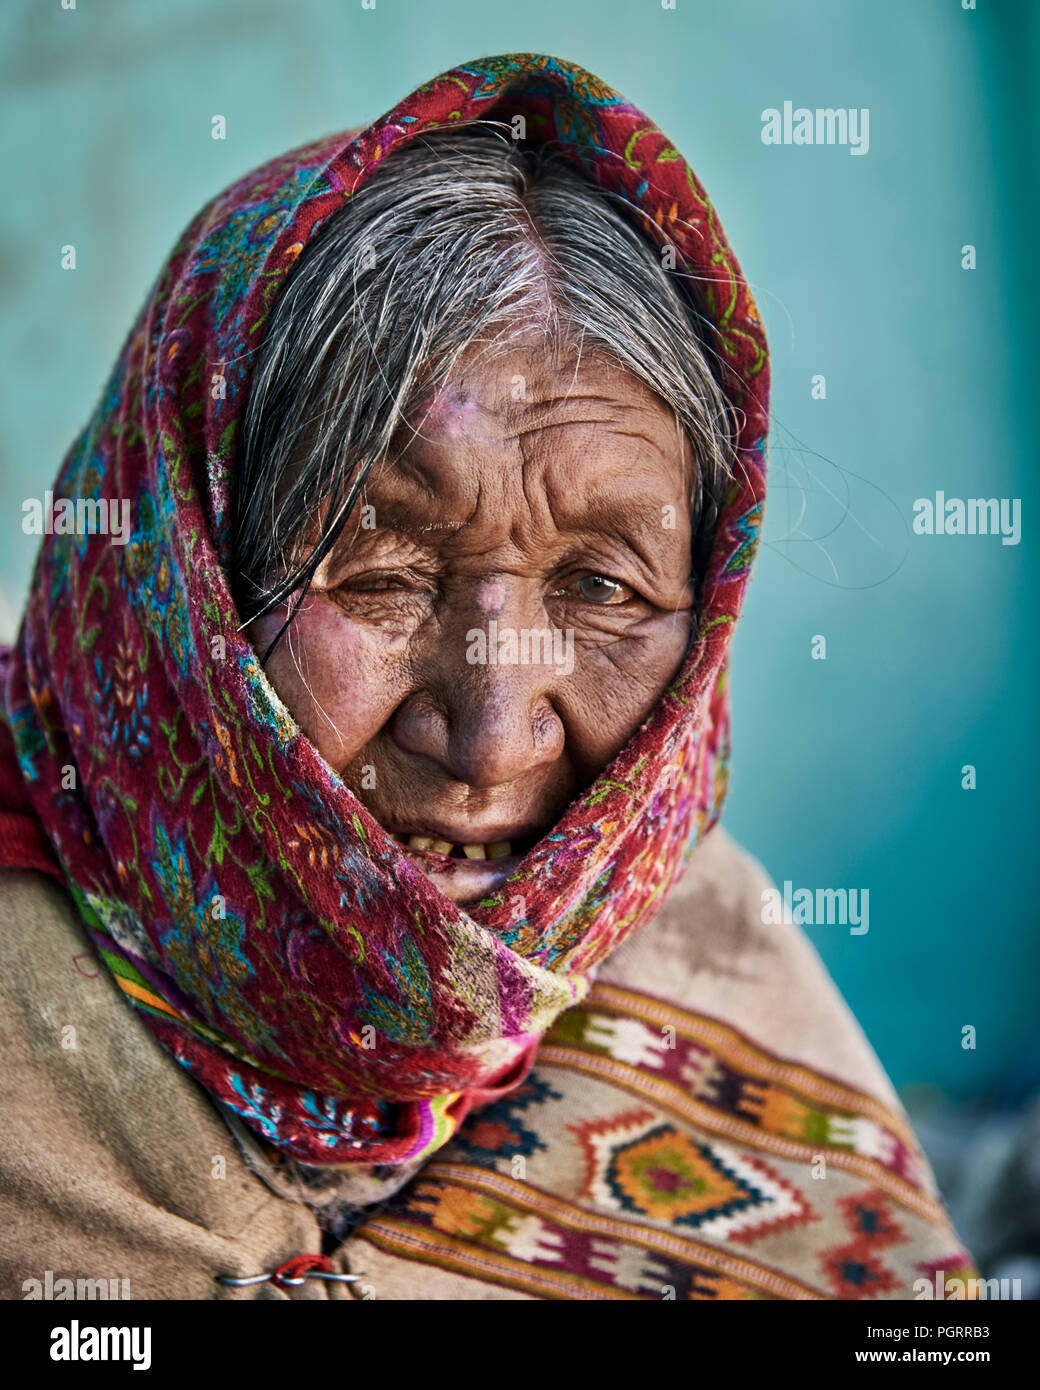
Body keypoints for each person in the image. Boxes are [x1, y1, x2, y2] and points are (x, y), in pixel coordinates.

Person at [0, 53, 975, 1301]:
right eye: (381, 571)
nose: (494, 741)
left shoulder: (670, 922)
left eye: (604, 589)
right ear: (177, 586)